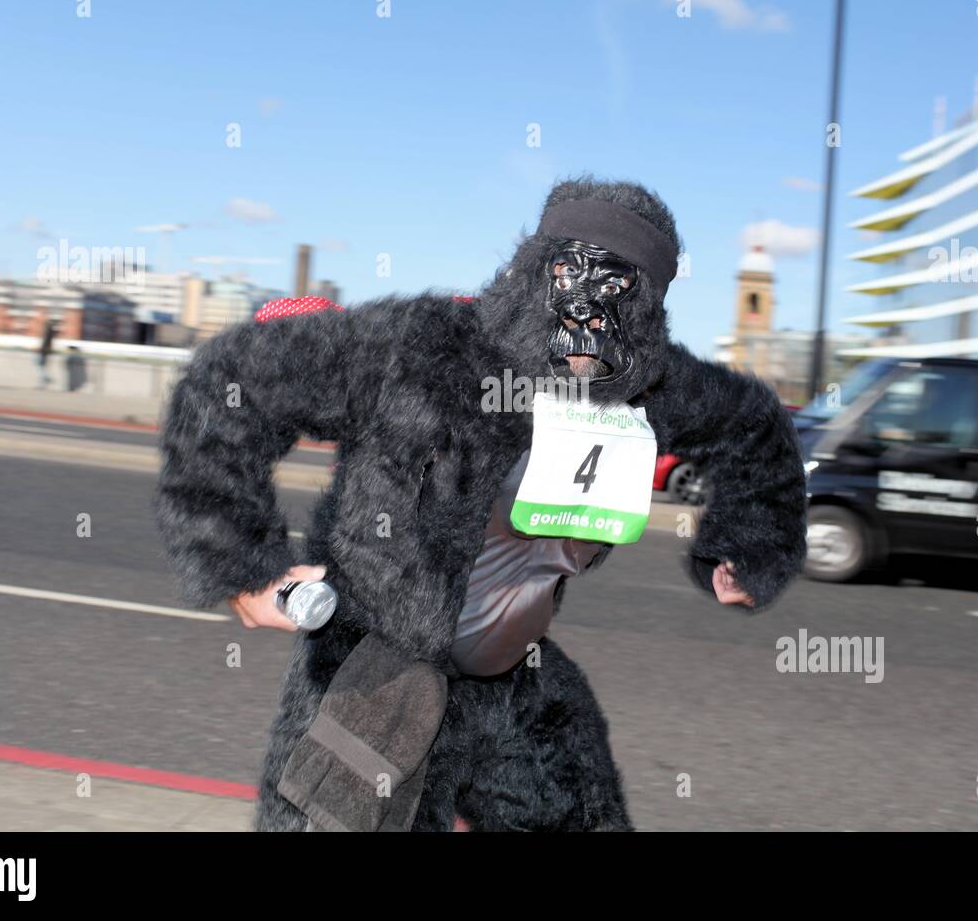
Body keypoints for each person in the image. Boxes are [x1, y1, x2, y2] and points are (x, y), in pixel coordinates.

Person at [155, 177, 807, 831]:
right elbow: (229, 381)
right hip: (374, 682)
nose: (584, 317)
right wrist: (243, 566)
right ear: (531, 271)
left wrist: (748, 547)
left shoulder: (651, 384)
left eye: (614, 292)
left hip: (513, 681)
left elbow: (753, 423)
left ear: (647, 312)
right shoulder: (419, 347)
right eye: (565, 276)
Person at [37, 319, 56, 389]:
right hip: (45, 352)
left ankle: (47, 378)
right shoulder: (51, 332)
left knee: (40, 366)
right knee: (41, 366)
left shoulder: (47, 332)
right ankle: (43, 383)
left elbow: (45, 343)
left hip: (43, 352)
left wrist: (40, 349)